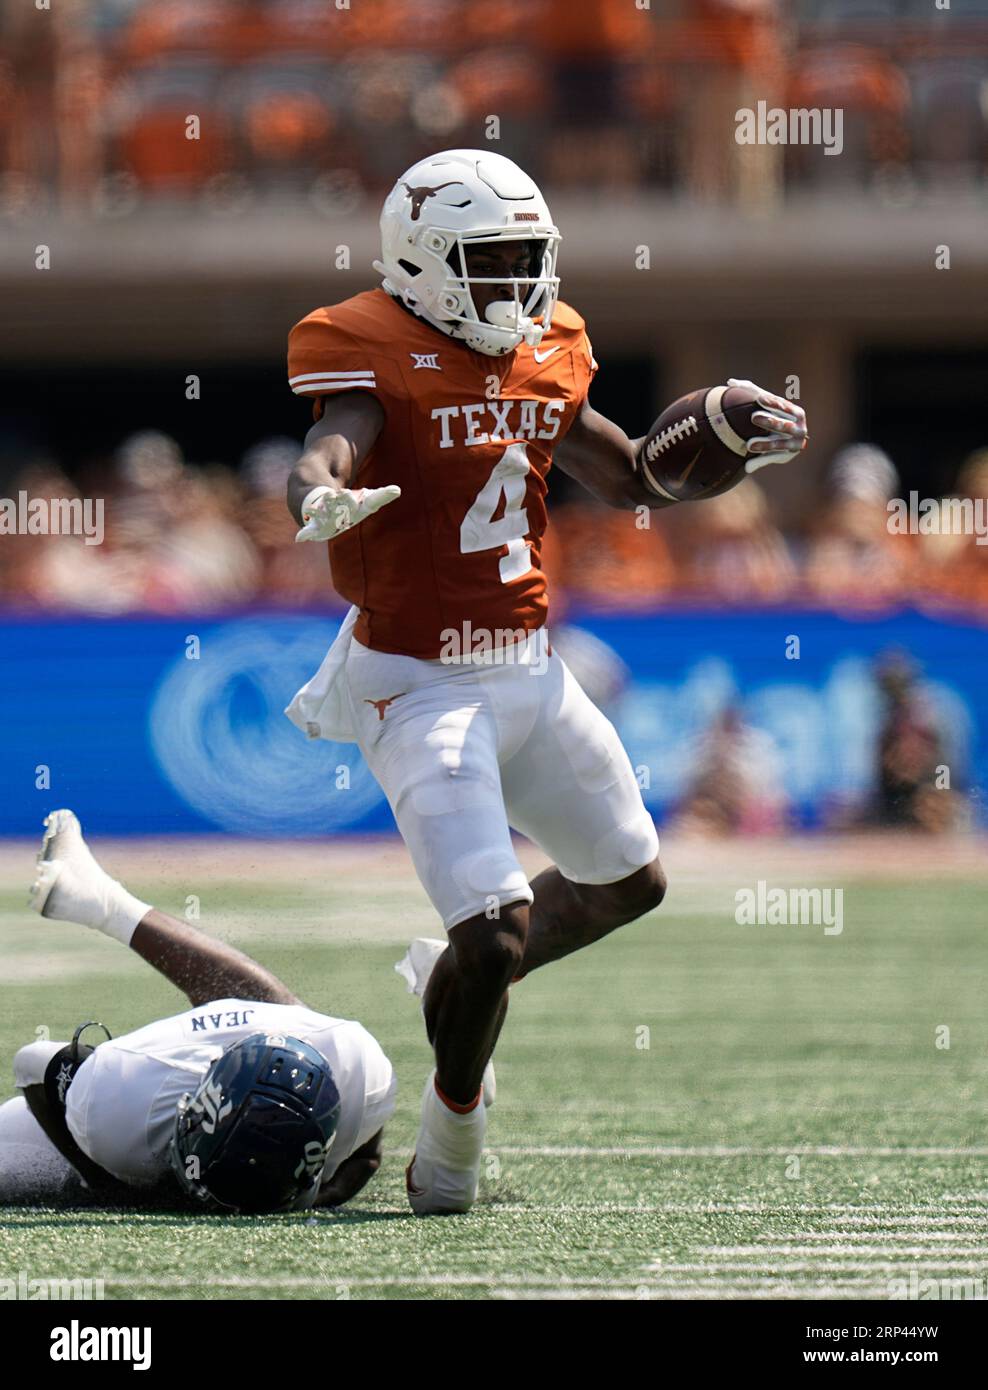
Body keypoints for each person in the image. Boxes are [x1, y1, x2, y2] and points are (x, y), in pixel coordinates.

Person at [283, 148, 808, 1215]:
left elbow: (625, 478)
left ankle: (451, 975)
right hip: (417, 682)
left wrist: (713, 453)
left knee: (631, 881)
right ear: (421, 264)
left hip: (529, 664)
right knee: (498, 927)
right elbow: (330, 443)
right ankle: (450, 1139)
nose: (518, 284)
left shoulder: (546, 346)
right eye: (492, 260)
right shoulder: (367, 345)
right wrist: (315, 495)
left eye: (530, 257)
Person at [0, 811, 395, 1212]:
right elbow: (33, 1062)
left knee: (290, 1016)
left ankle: (98, 898)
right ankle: (97, 898)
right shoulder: (116, 1110)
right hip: (138, 1088)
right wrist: (111, 1187)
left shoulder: (359, 1072)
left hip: (255, 1052)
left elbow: (366, 1159)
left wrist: (329, 1193)